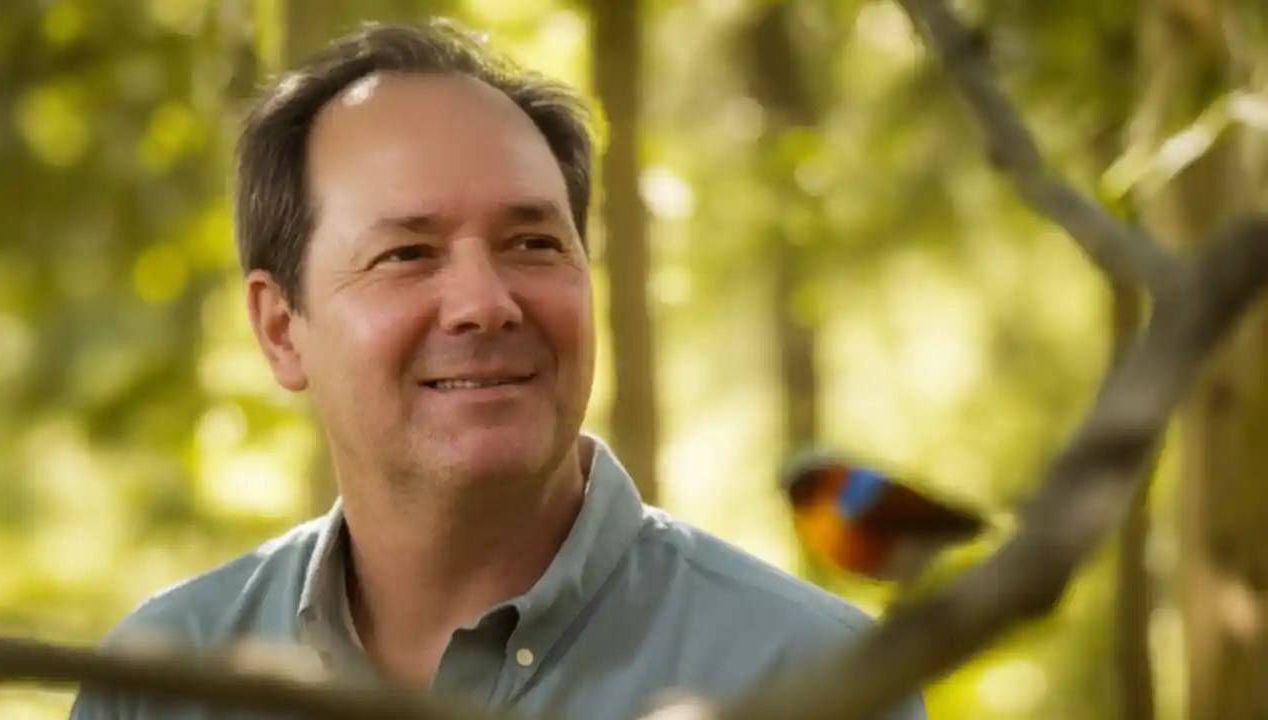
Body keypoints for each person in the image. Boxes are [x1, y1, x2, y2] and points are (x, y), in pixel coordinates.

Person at [70, 20, 925, 720]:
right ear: (282, 330)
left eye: (533, 244)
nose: (485, 302)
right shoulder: (159, 684)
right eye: (406, 253)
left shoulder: (814, 678)